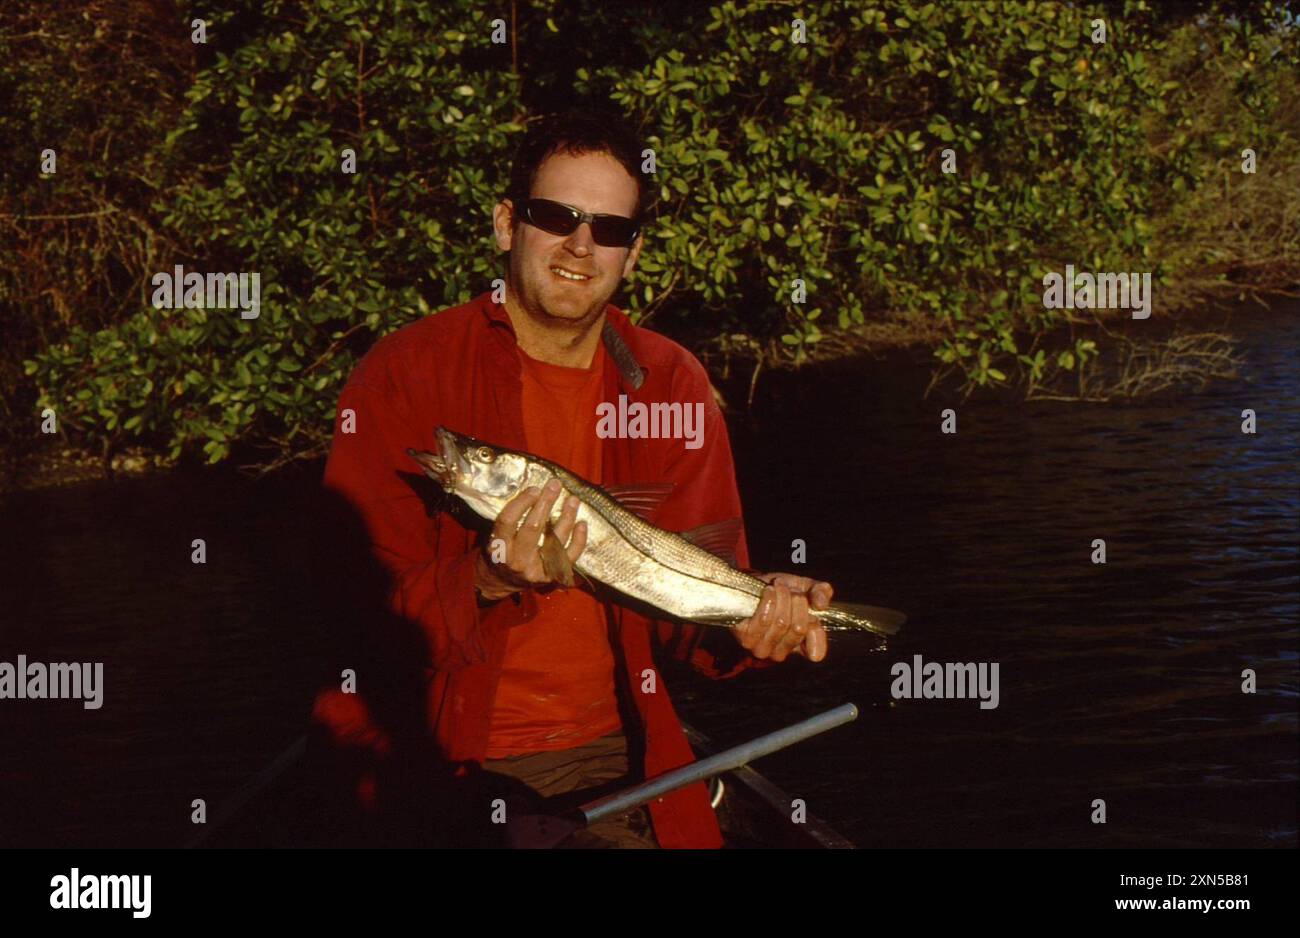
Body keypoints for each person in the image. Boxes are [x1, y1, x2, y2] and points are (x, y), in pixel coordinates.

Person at [313, 110, 836, 848]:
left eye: (611, 229)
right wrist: (491, 578)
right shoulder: (403, 375)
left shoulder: (670, 383)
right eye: (556, 216)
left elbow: (686, 620)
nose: (581, 247)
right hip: (431, 753)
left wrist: (755, 624)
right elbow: (349, 618)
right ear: (506, 224)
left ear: (634, 253)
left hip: (618, 754)